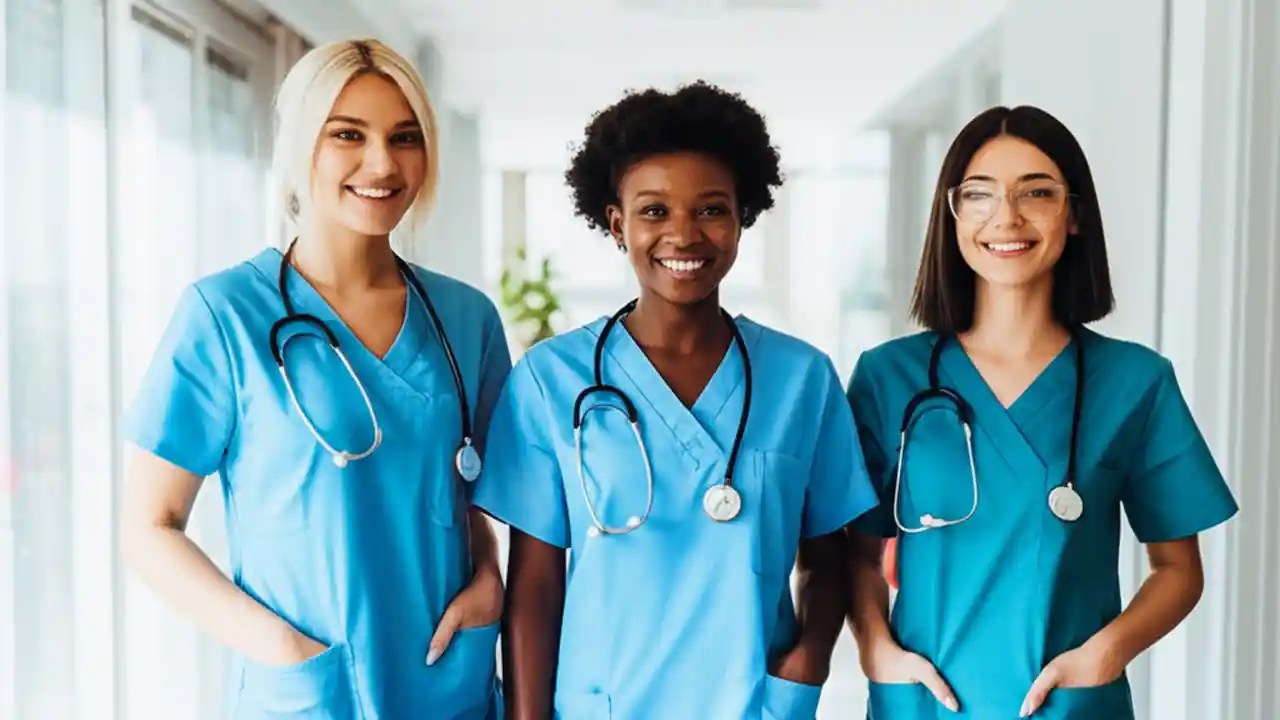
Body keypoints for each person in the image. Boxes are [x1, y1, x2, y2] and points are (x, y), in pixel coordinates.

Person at [119, 39, 509, 719]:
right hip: (310, 693)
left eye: (404, 137)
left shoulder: (465, 319)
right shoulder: (226, 316)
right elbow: (150, 528)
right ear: (303, 146)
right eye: (348, 135)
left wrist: (489, 580)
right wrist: (276, 646)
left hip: (447, 684)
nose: (382, 163)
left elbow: (477, 499)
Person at [472, 81, 878, 720]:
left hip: (752, 701)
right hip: (603, 703)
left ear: (742, 217)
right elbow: (535, 583)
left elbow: (828, 557)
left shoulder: (802, 378)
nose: (684, 235)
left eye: (711, 209)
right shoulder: (552, 379)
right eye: (654, 211)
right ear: (616, 224)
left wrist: (809, 662)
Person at [844, 105, 1238, 719]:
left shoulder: (1135, 382)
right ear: (951, 216)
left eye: (1037, 193)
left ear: (1074, 215)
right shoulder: (888, 376)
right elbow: (856, 553)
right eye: (979, 195)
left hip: (1070, 706)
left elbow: (1177, 569)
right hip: (922, 704)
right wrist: (876, 650)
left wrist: (1107, 654)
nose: (1007, 217)